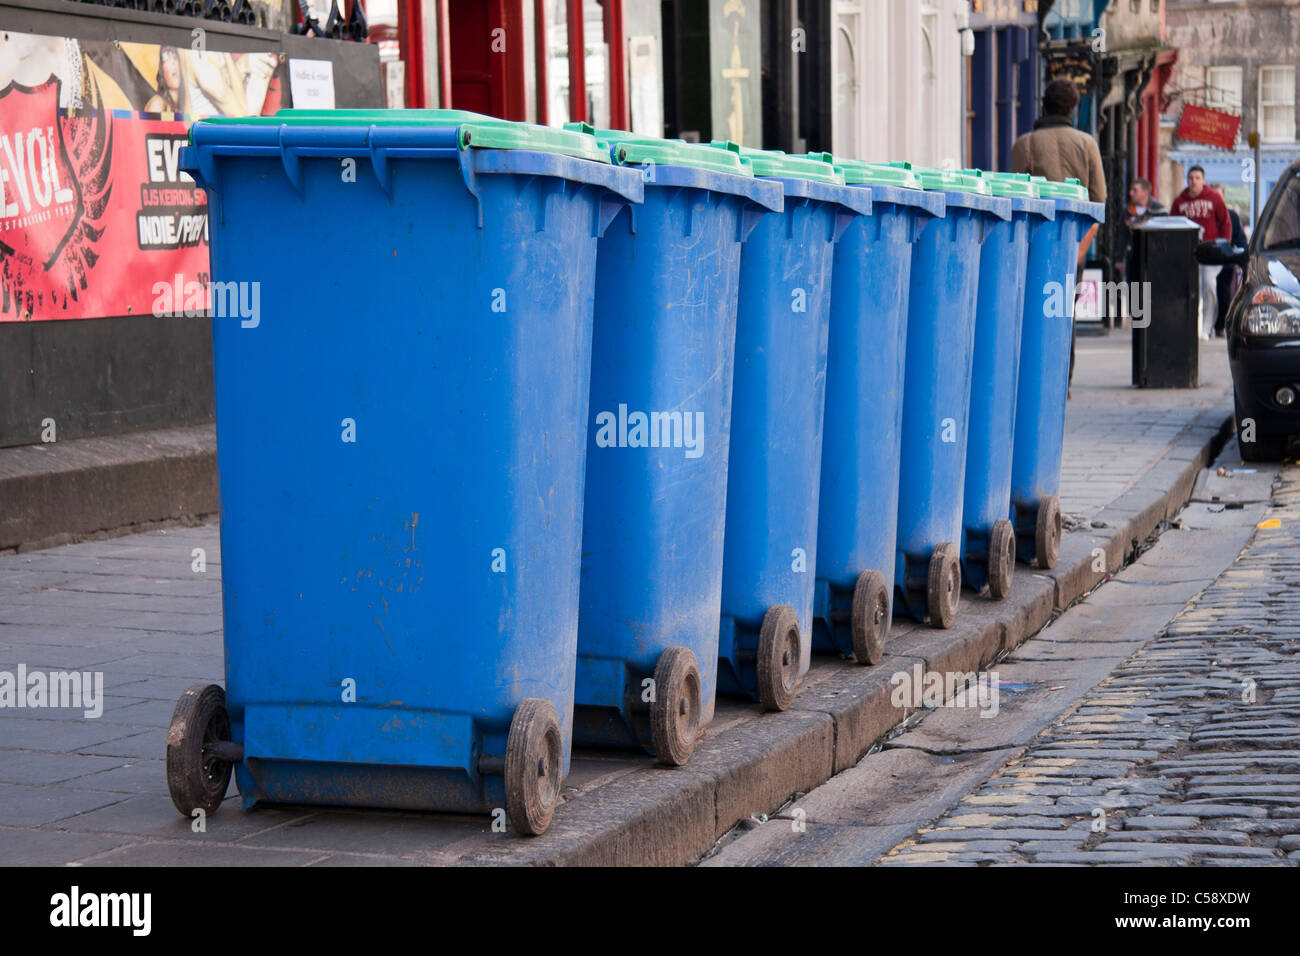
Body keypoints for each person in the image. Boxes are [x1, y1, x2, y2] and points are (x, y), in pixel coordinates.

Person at [1011, 78, 1107, 392]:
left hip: (1032, 244)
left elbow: (1012, 200)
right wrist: (1082, 246)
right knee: (1063, 312)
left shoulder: (1024, 144)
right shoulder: (1087, 143)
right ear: (1072, 109)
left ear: (1044, 104)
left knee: (1029, 310)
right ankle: (1061, 379)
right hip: (1071, 243)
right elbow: (1099, 201)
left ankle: (1033, 377)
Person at [1170, 166, 1231, 339]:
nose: (1193, 181)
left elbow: (1225, 222)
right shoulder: (1179, 202)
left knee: (1209, 285)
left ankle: (1206, 327)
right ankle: (1189, 326)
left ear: (1203, 180)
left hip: (1211, 251)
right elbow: (1173, 224)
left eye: (1197, 178)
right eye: (1190, 177)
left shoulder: (1214, 198)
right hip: (1188, 252)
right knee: (1189, 288)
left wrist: (1224, 244)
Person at [1214, 202, 1248, 336]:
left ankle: (1220, 325)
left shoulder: (1232, 216)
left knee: (1224, 294)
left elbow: (1240, 240)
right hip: (1209, 257)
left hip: (1226, 260)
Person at [1124, 177, 1166, 285]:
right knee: (1134, 289)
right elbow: (1122, 235)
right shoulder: (1127, 211)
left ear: (1145, 192)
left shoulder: (1159, 210)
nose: (1130, 193)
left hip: (1154, 257)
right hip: (1133, 256)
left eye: (1135, 190)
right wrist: (1120, 259)